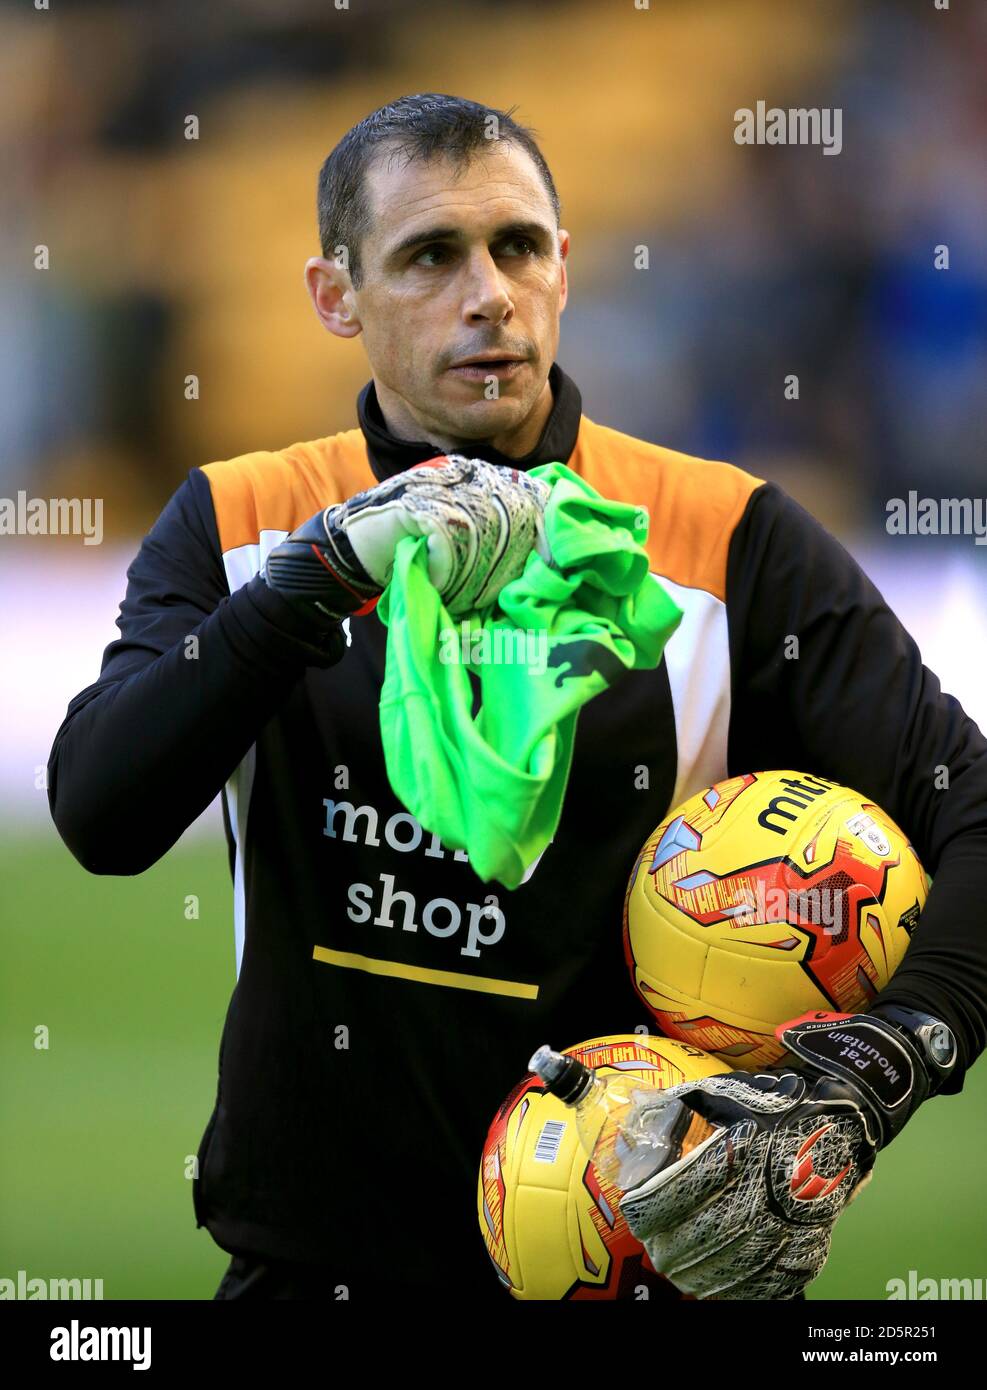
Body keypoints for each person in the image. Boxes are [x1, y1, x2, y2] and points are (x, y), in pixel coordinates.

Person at [48, 93, 987, 1303]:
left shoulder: (721, 541)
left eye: (519, 247)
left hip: (642, 1272)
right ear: (335, 296)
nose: (487, 292)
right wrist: (316, 579)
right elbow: (100, 812)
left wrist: (887, 1060)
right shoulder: (246, 524)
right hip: (312, 1278)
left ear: (562, 268)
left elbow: (972, 811)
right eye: (431, 255)